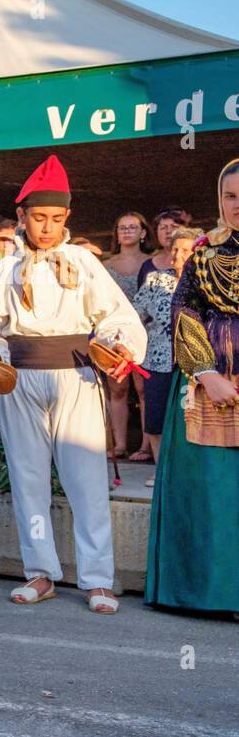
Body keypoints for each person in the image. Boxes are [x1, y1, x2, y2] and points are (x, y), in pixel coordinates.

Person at [0, 154, 147, 615]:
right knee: (28, 478)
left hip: (75, 375)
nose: (46, 227)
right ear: (22, 216)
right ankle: (39, 573)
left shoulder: (83, 262)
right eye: (38, 217)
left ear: (66, 218)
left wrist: (117, 344)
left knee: (85, 477)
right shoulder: (5, 268)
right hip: (21, 381)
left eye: (55, 218)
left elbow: (116, 316)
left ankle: (97, 579)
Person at [146, 159, 239, 617]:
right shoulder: (203, 253)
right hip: (209, 388)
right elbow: (184, 311)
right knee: (210, 494)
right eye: (230, 196)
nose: (238, 205)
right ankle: (205, 592)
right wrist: (208, 373)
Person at [132, 226, 202, 484]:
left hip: (193, 367)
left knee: (188, 419)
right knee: (155, 418)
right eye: (174, 248)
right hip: (159, 360)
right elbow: (133, 316)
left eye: (185, 249)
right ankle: (162, 472)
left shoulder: (206, 284)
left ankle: (187, 473)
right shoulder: (156, 280)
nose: (177, 254)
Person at [104, 212, 155, 461]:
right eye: (121, 227)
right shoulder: (106, 265)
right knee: (117, 388)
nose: (126, 231)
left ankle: (146, 446)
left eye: (132, 227)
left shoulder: (153, 262)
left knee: (144, 389)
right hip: (115, 335)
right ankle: (120, 445)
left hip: (147, 332)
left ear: (143, 233)